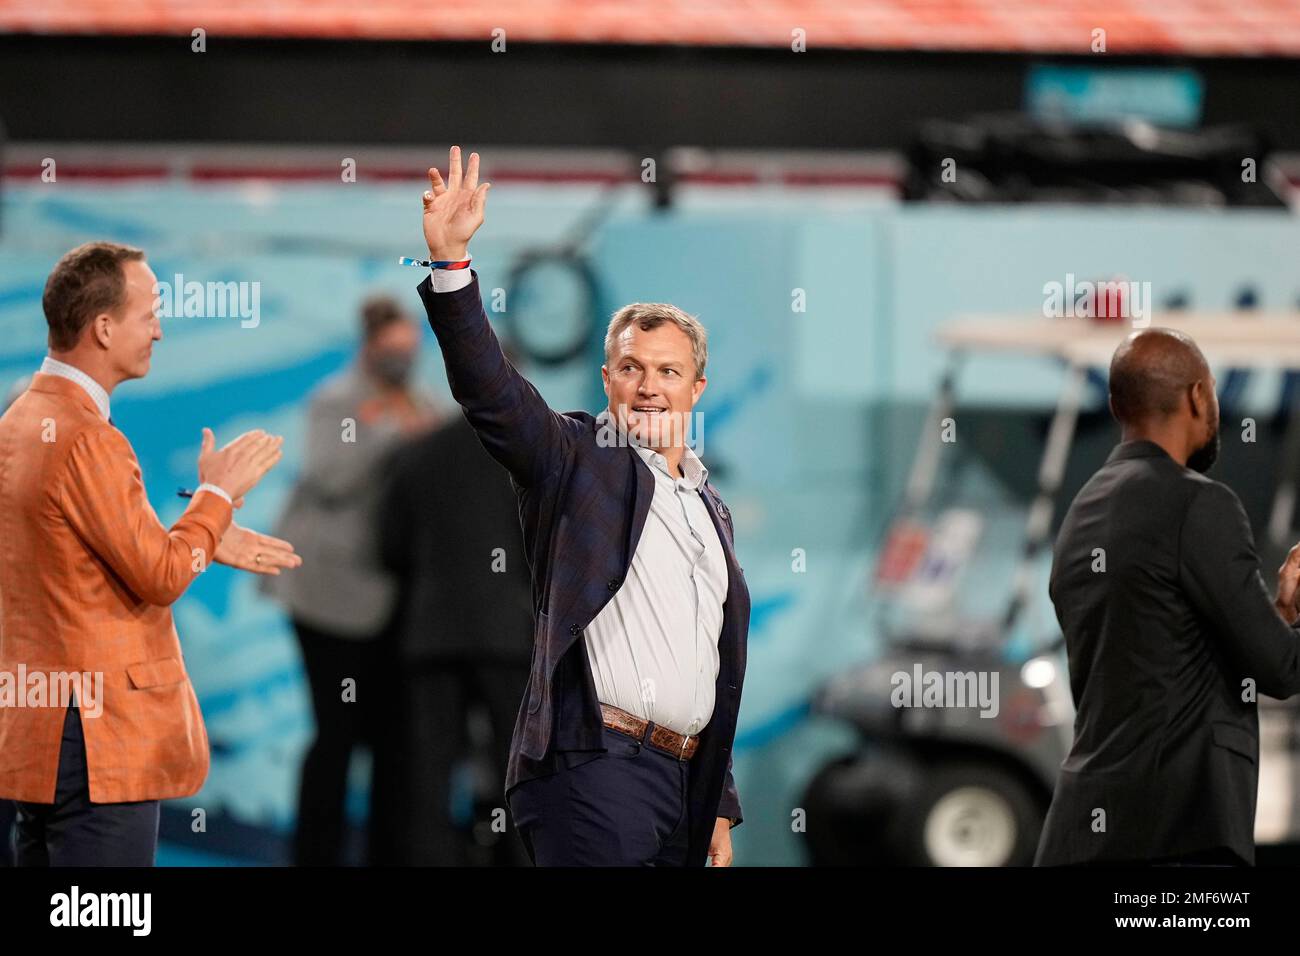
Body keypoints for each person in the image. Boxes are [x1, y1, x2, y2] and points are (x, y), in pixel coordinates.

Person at [415, 146, 748, 866]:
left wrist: (715, 798)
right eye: (631, 368)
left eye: (668, 371)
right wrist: (450, 266)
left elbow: (701, 659)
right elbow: (492, 393)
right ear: (607, 380)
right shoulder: (574, 457)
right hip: (595, 772)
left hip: (681, 781)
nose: (649, 385)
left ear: (697, 388)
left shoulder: (706, 506)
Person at [0, 241, 298, 866]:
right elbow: (160, 575)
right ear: (103, 327)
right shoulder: (89, 440)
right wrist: (217, 495)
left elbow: (76, 557)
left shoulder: (22, 421)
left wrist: (205, 532)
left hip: (39, 738)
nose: (160, 330)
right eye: (150, 312)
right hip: (99, 743)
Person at [1036, 327, 1300, 866]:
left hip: (1081, 834)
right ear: (1200, 397)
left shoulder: (1081, 515)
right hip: (1176, 837)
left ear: (1114, 406)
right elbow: (1281, 670)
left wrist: (1278, 615)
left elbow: (1168, 655)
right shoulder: (1200, 505)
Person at [262, 294, 439, 865]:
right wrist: (390, 436)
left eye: (409, 353)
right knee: (335, 738)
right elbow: (329, 477)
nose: (400, 363)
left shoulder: (421, 406)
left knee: (392, 742)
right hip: (327, 599)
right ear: (368, 347)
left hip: (391, 600)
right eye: (391, 353)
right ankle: (315, 857)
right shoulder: (336, 402)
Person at [377, 391, 534, 866]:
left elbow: (389, 547)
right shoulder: (528, 457)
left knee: (429, 771)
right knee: (520, 770)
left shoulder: (419, 451)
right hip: (507, 636)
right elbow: (546, 549)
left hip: (432, 635)